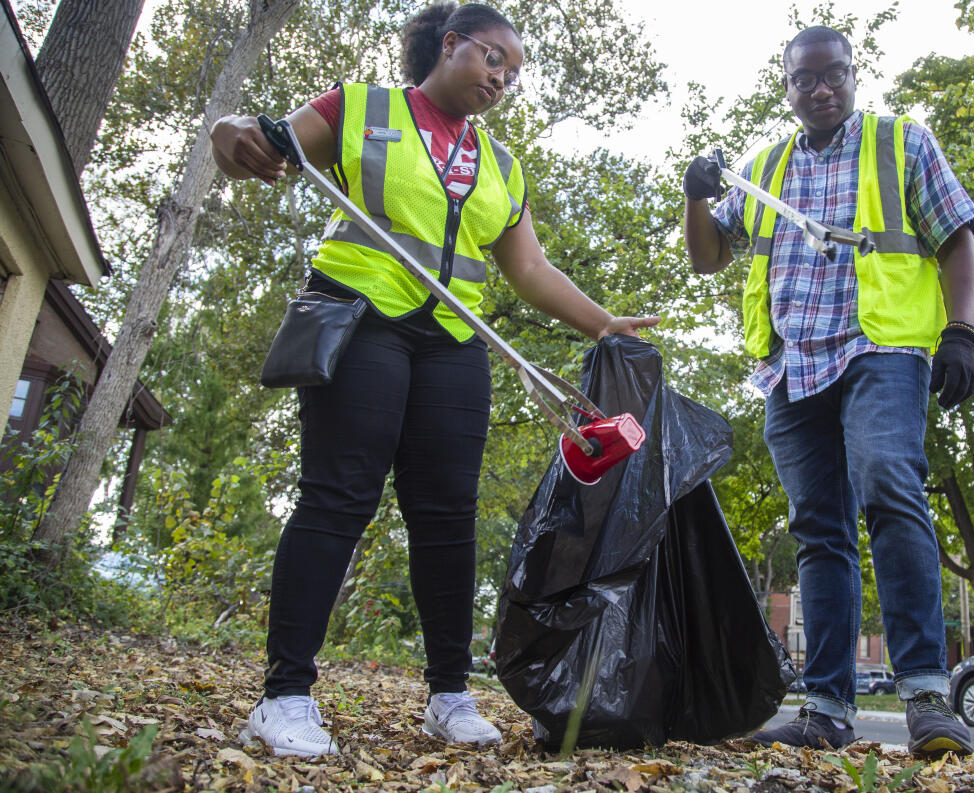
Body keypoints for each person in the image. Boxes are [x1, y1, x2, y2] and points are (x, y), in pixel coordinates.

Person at [210, 1, 659, 756]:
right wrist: (229, 133)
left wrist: (602, 322)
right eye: (493, 59)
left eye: (513, 75)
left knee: (449, 513)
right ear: (451, 45)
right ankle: (285, 694)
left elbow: (530, 268)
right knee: (338, 497)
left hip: (453, 340)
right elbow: (266, 146)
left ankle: (450, 691)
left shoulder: (501, 165)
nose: (502, 80)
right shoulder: (361, 108)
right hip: (359, 320)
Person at [682, 26, 974, 756]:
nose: (820, 89)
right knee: (819, 529)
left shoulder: (901, 143)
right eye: (803, 79)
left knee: (889, 486)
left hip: (881, 350)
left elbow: (957, 241)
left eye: (833, 76)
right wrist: (696, 194)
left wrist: (962, 332)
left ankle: (925, 697)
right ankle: (826, 709)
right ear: (784, 86)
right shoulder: (765, 167)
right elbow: (705, 256)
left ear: (854, 75)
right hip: (793, 370)